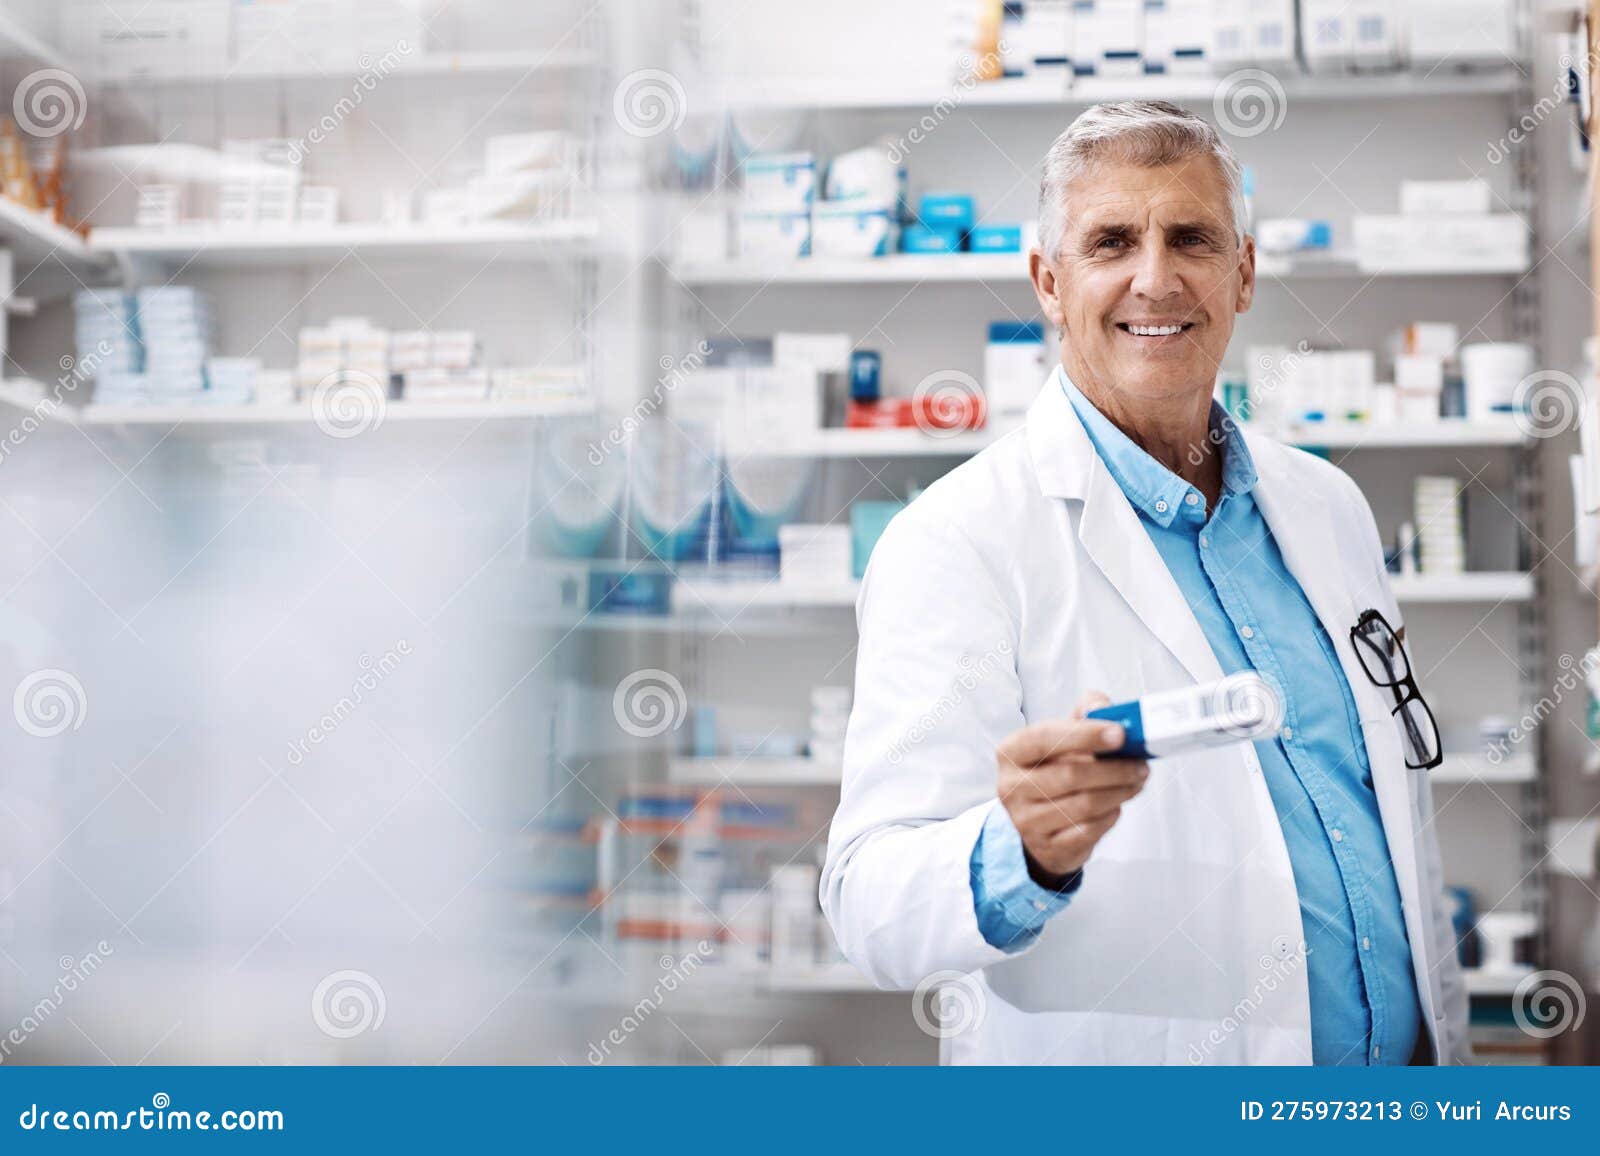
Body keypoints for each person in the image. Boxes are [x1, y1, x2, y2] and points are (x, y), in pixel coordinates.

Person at [819, 100, 1468, 1065]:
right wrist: (1021, 852)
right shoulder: (955, 542)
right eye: (1112, 241)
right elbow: (867, 903)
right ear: (1049, 279)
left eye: (1194, 238)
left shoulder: (1327, 506)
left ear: (1242, 274)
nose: (1155, 278)